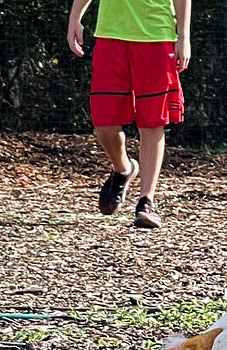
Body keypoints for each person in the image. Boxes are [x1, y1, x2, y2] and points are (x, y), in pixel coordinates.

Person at [67, 0, 191, 229]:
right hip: (110, 37)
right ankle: (124, 169)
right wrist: (75, 18)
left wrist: (183, 37)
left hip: (156, 36)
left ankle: (146, 201)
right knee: (104, 123)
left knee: (152, 122)